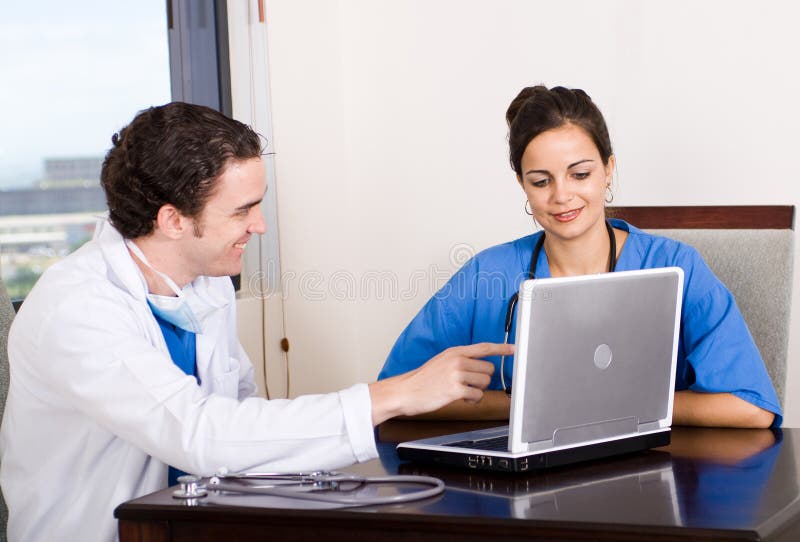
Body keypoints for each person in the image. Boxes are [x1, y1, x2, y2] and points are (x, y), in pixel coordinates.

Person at [0, 102, 511, 542]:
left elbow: (242, 420)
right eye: (243, 211)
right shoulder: (78, 307)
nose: (259, 225)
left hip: (193, 526)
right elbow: (199, 433)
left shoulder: (208, 282)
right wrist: (393, 395)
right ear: (173, 220)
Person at [378, 85, 781, 429]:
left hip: (646, 483)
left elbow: (752, 407)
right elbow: (396, 395)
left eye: (580, 174)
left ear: (608, 169)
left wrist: (602, 411)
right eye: (541, 181)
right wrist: (525, 409)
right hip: (523, 493)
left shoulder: (677, 268)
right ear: (522, 183)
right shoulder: (487, 274)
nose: (562, 195)